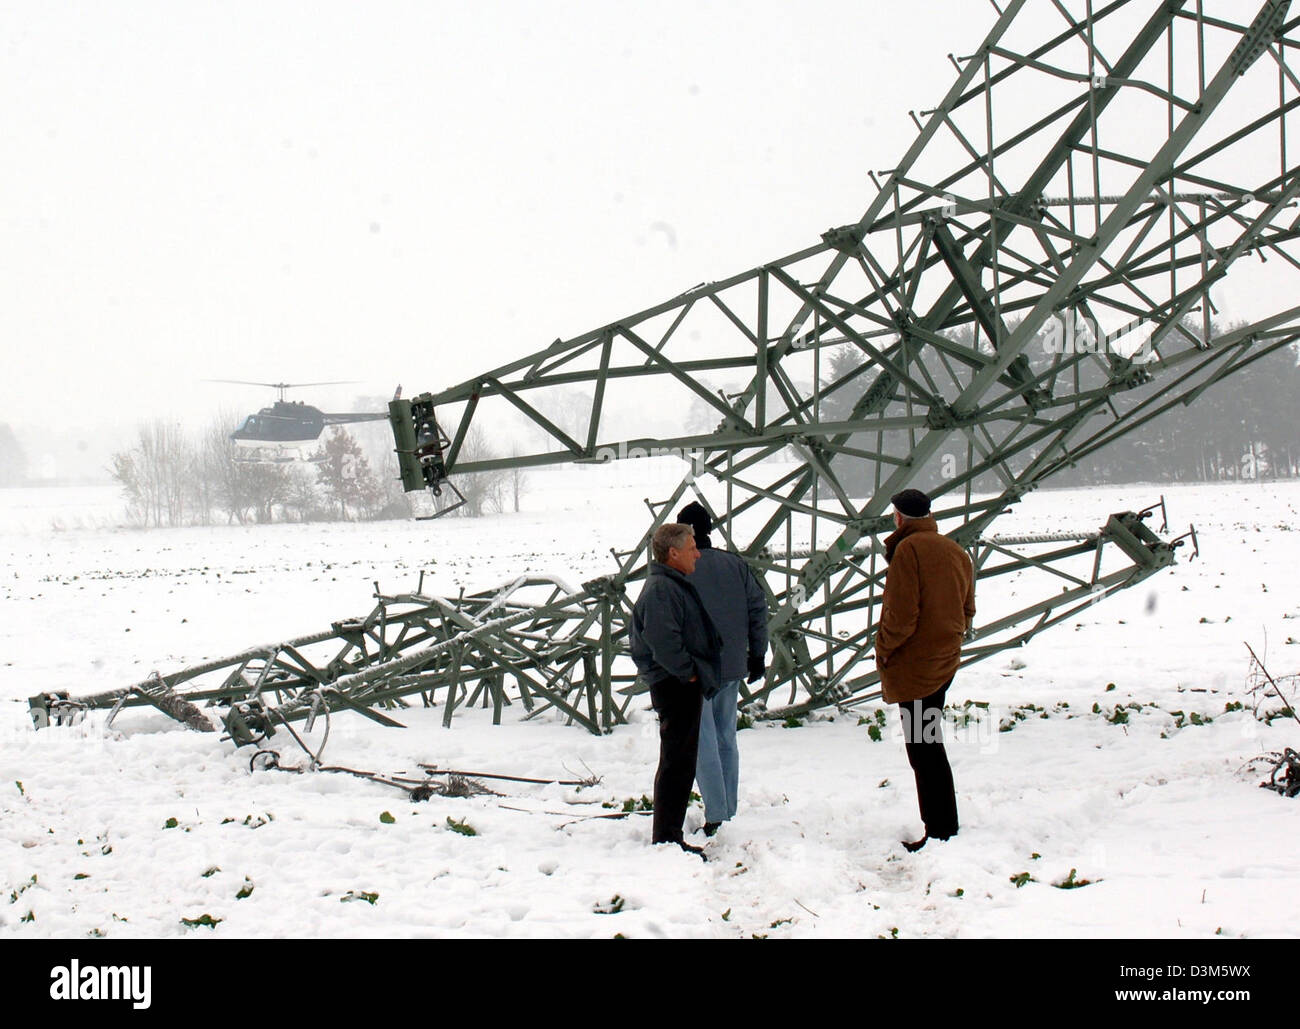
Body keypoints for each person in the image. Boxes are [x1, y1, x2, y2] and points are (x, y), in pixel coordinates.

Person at [874, 488, 975, 853]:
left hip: (914, 667)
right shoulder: (955, 550)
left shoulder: (908, 551)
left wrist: (884, 648)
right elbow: (967, 610)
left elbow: (901, 615)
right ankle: (943, 823)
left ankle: (940, 829)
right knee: (931, 743)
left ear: (899, 517)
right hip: (944, 663)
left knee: (923, 748)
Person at [629, 522, 723, 858]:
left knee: (681, 759)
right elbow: (662, 641)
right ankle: (667, 838)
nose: (698, 553)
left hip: (679, 681)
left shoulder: (669, 585)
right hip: (675, 683)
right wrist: (689, 673)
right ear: (673, 553)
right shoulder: (661, 590)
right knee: (677, 761)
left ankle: (670, 834)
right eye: (692, 547)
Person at [675, 501, 767, 836]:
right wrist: (757, 655)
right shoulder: (735, 565)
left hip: (697, 671)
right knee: (727, 735)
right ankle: (728, 806)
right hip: (732, 666)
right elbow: (758, 610)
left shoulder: (682, 569)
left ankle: (715, 813)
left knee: (703, 741)